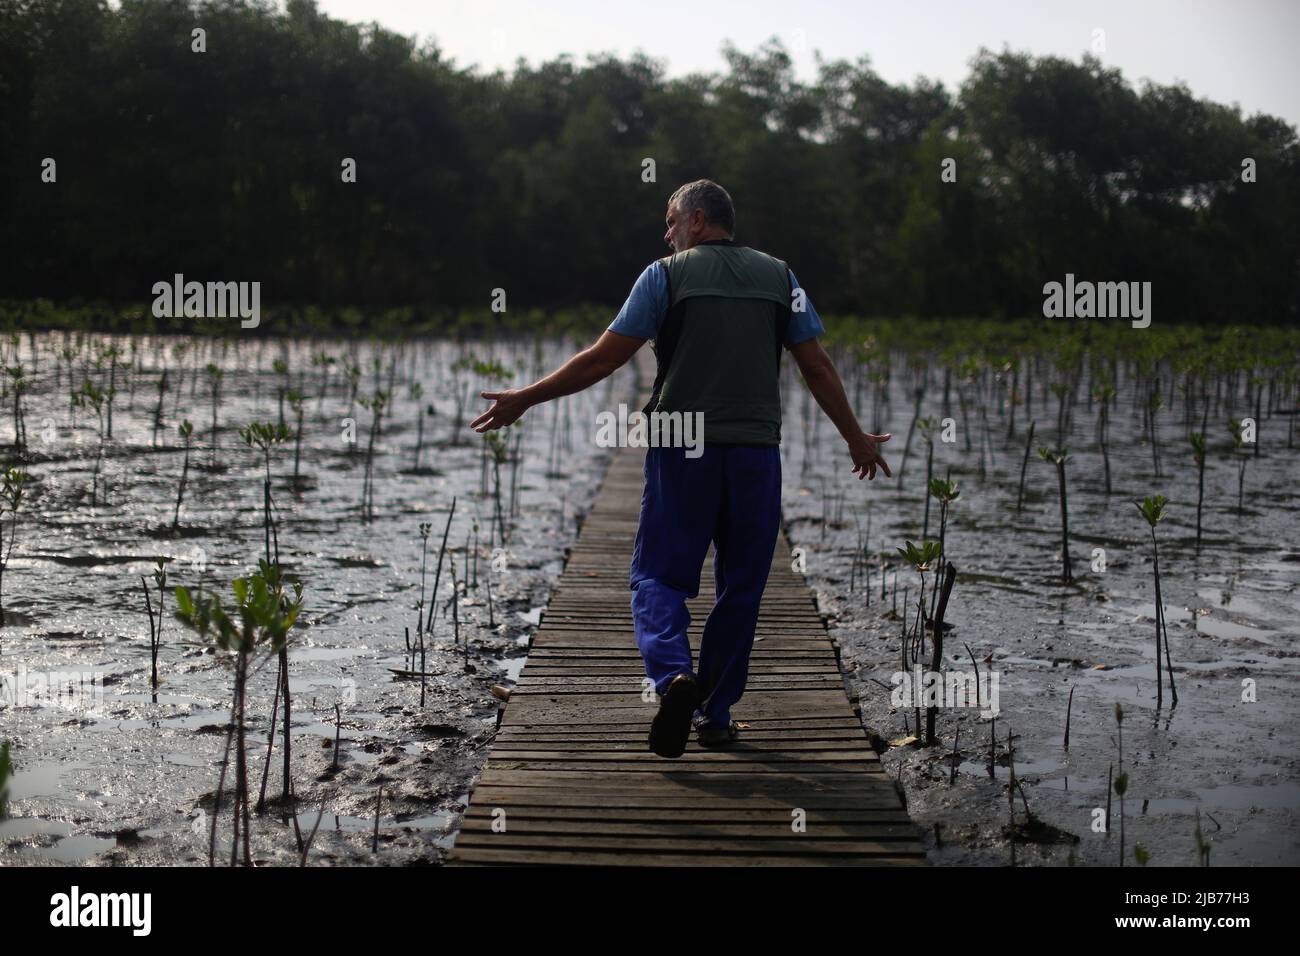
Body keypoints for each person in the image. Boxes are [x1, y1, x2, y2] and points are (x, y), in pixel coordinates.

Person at [471, 179, 891, 758]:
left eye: (670, 221)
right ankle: (715, 716)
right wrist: (855, 439)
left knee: (657, 578)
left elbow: (605, 357)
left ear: (696, 220)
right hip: (753, 452)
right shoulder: (781, 277)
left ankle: (673, 678)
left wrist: (527, 396)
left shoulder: (664, 276)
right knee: (742, 586)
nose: (666, 234)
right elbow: (815, 365)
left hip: (680, 445)